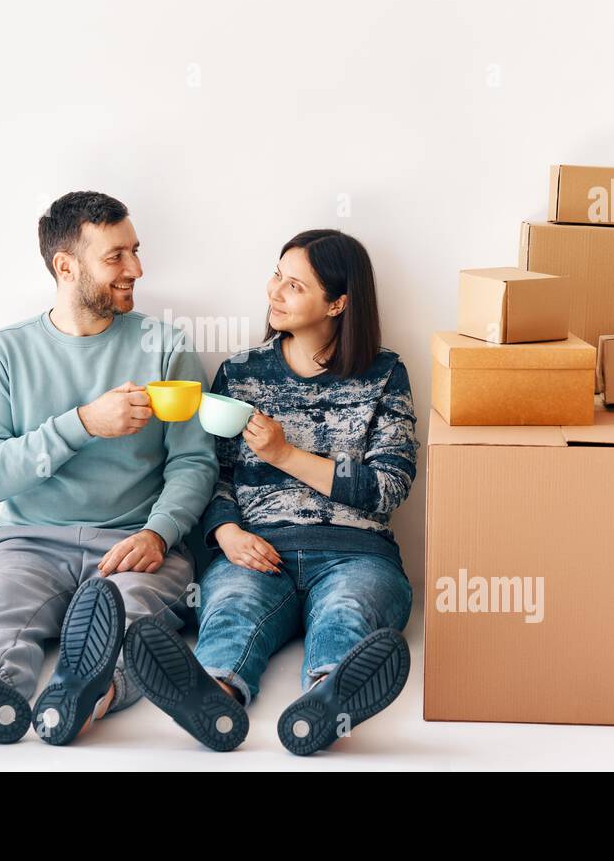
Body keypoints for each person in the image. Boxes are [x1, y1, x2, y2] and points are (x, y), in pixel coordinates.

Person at [0, 191, 217, 746]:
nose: (136, 269)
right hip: (29, 544)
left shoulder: (166, 347)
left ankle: (86, 697)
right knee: (0, 614)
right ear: (66, 266)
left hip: (133, 543)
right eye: (116, 256)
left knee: (132, 621)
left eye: (135, 251)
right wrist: (84, 423)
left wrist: (158, 533)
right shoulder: (4, 354)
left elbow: (194, 461)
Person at [124, 228, 417, 755]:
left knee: (347, 612)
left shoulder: (385, 373)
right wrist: (227, 531)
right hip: (256, 550)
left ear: (339, 303)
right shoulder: (239, 373)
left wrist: (286, 456)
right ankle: (212, 697)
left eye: (295, 285)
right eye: (277, 275)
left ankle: (327, 699)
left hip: (356, 555)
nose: (274, 292)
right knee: (232, 605)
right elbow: (212, 473)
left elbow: (389, 488)